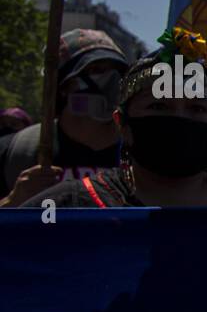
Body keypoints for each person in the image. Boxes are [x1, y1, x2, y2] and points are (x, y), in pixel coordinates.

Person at [22, 51, 207, 208]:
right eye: (159, 106)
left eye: (196, 108)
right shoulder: (67, 207)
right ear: (122, 124)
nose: (178, 119)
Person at [0, 30, 129, 207]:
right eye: (96, 70)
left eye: (119, 72)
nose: (113, 81)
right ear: (64, 84)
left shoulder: (145, 154)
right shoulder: (16, 152)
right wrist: (13, 202)